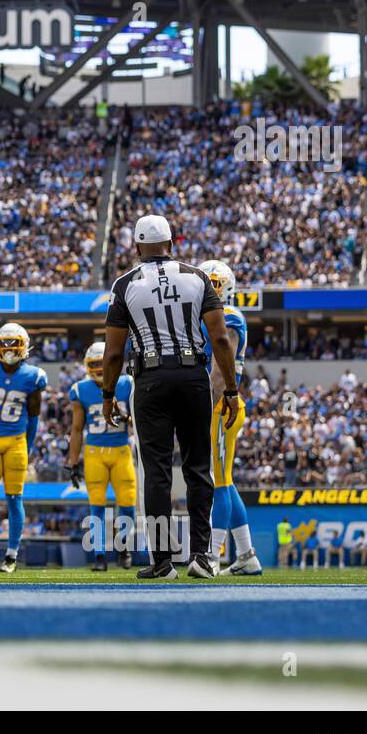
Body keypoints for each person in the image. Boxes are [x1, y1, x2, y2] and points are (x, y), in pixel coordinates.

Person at [101, 214, 240, 580]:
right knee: (199, 469)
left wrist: (107, 394)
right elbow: (221, 338)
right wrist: (230, 389)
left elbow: (113, 352)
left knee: (157, 474)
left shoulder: (125, 283)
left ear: (136, 246)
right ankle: (202, 557)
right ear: (173, 242)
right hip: (193, 376)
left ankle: (162, 562)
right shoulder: (198, 277)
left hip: (150, 379)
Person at [198, 259, 262, 576]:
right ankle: (247, 555)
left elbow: (220, 374)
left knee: (219, 485)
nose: (209, 289)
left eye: (214, 283)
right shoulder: (208, 317)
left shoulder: (230, 317)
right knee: (226, 481)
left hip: (223, 406)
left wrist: (201, 405)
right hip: (221, 406)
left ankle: (212, 556)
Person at [0, 322, 47, 574]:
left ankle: (11, 556)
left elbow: (34, 418)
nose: (10, 348)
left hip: (16, 442)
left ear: (25, 347)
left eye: (15, 343)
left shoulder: (33, 376)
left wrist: (28, 446)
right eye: (6, 343)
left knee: (14, 498)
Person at [68, 341, 135, 571]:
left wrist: (124, 415)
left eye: (103, 363)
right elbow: (77, 429)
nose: (99, 368)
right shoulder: (81, 390)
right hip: (94, 452)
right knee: (96, 506)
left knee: (127, 503)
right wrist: (72, 462)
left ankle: (123, 546)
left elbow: (139, 421)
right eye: (95, 363)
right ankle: (99, 556)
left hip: (121, 450)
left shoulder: (127, 384)